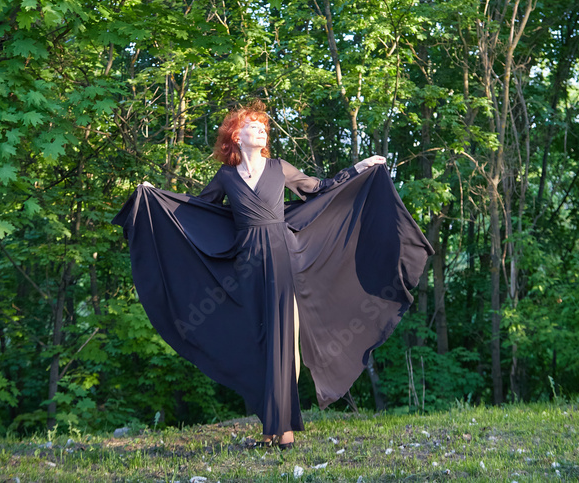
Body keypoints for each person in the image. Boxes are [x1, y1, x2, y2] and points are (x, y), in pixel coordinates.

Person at [113, 100, 431, 449]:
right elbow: (198, 210)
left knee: (282, 342)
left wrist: (361, 167)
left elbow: (319, 187)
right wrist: (151, 196)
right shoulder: (226, 177)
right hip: (243, 265)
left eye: (263, 126)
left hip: (280, 258)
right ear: (236, 135)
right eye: (252, 125)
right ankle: (271, 425)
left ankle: (283, 431)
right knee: (259, 344)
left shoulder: (279, 168)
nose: (261, 129)